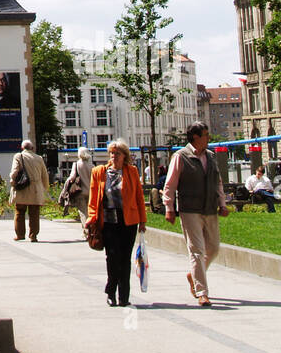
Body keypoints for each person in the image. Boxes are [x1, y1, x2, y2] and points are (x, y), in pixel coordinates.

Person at [163, 120, 229, 307]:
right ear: (195, 137)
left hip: (210, 208)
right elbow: (170, 184)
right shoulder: (181, 157)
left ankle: (194, 275)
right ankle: (202, 292)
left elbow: (218, 182)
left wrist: (222, 204)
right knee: (197, 251)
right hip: (189, 209)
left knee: (214, 248)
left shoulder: (211, 156)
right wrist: (169, 208)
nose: (209, 138)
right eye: (206, 135)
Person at [86, 140, 147, 307]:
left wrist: (142, 220)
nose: (114, 156)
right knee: (112, 257)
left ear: (124, 156)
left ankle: (124, 296)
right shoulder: (99, 172)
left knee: (125, 258)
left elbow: (139, 197)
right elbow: (93, 198)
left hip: (128, 220)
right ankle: (111, 290)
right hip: (108, 220)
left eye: (117, 153)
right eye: (112, 153)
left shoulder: (132, 171)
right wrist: (91, 218)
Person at [9, 140, 50, 242]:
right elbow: (44, 175)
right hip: (36, 189)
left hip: (22, 188)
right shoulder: (39, 158)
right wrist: (45, 188)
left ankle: (20, 235)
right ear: (32, 148)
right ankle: (33, 236)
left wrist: (12, 182)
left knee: (19, 212)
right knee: (34, 213)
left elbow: (14, 171)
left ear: (22, 148)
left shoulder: (18, 156)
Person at [64, 147, 93, 225]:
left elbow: (72, 177)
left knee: (83, 212)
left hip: (80, 191)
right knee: (90, 212)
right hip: (90, 192)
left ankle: (87, 231)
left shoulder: (76, 164)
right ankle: (91, 230)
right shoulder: (92, 165)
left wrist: (67, 185)